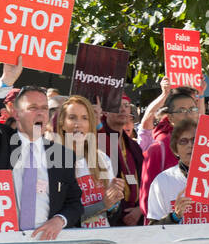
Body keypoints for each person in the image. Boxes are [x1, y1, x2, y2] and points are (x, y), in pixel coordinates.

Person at [0, 59, 82, 239]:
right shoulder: (1, 142)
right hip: (4, 240)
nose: (40, 113)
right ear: (15, 113)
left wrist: (60, 220)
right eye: (32, 108)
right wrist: (7, 81)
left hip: (46, 242)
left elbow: (74, 202)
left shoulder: (63, 155)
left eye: (44, 108)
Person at [53, 96, 124, 228]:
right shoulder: (54, 163)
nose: (78, 124)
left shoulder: (102, 159)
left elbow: (111, 211)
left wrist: (115, 200)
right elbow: (60, 218)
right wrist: (103, 205)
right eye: (72, 117)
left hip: (102, 240)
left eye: (84, 118)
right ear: (62, 123)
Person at [139, 82, 199, 216]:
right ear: (170, 118)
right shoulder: (157, 150)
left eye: (193, 109)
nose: (188, 115)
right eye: (182, 110)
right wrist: (174, 216)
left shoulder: (208, 146)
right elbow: (147, 203)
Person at [96, 97, 145, 226]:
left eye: (126, 105)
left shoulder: (133, 146)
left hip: (136, 214)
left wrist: (140, 208)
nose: (123, 109)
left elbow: (145, 180)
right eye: (117, 105)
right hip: (109, 213)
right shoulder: (97, 139)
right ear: (105, 112)